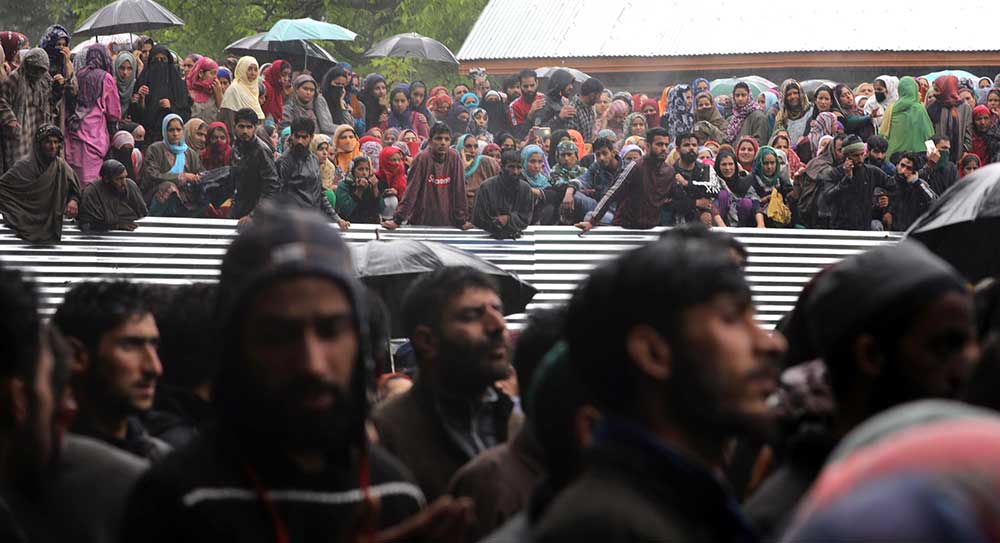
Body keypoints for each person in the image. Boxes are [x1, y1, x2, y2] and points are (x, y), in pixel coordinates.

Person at [121, 206, 441, 542]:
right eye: (278, 335)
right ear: (234, 345)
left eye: (331, 331)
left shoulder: (395, 493)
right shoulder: (175, 499)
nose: (312, 364)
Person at [534, 235, 785, 542]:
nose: (772, 343)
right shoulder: (602, 530)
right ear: (653, 353)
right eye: (732, 318)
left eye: (754, 317)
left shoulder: (691, 504)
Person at [745, 242, 978, 539]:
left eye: (973, 346)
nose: (966, 370)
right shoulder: (791, 520)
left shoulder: (961, 489)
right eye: (944, 346)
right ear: (870, 355)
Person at [372, 266, 515, 501]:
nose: (498, 325)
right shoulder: (383, 433)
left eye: (498, 310)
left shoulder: (518, 422)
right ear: (427, 341)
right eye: (471, 315)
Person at [52, 281, 170, 462]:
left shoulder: (162, 458)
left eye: (154, 345)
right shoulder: (44, 462)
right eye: (130, 345)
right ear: (76, 355)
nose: (154, 368)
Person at [576, 127, 687, 231]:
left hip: (650, 229)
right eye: (659, 144)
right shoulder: (636, 166)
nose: (664, 149)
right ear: (647, 146)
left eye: (666, 145)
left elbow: (678, 199)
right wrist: (592, 221)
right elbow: (612, 192)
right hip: (625, 227)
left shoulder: (669, 172)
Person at [382, 123, 472, 230]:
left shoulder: (454, 157)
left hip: (448, 222)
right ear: (430, 141)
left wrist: (461, 220)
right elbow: (411, 191)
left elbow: (459, 190)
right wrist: (398, 220)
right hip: (422, 221)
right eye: (438, 138)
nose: (443, 142)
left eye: (446, 139)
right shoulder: (422, 159)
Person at [0, 124, 80, 243]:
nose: (53, 146)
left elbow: (74, 190)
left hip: (52, 220)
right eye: (48, 142)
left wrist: (73, 201)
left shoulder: (62, 167)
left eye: (56, 142)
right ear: (39, 145)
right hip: (25, 220)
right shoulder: (23, 167)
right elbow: (3, 188)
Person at [266, 117, 349, 229]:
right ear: (292, 136)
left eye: (304, 137)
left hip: (312, 221)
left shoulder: (313, 160)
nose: (300, 141)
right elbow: (276, 194)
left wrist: (336, 218)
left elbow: (319, 193)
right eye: (297, 136)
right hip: (291, 223)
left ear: (311, 137)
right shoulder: (284, 162)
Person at [65, 45, 121, 185]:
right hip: (94, 135)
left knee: (75, 177)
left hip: (74, 131)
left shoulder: (79, 74)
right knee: (92, 182)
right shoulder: (106, 78)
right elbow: (114, 113)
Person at [0, 49, 55, 171]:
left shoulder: (44, 79)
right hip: (20, 133)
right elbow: (2, 100)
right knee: (19, 169)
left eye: (41, 70)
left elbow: (51, 102)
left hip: (38, 128)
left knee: (39, 166)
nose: (38, 73)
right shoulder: (14, 79)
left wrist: (58, 88)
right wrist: (10, 119)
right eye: (35, 69)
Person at [826, 135, 893, 230]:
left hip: (863, 227)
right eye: (856, 156)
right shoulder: (835, 173)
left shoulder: (872, 172)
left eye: (862, 154)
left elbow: (894, 186)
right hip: (840, 228)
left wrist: (888, 203)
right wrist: (847, 178)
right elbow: (828, 198)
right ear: (846, 156)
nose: (860, 159)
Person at [139, 113, 203, 214]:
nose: (175, 134)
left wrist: (197, 178)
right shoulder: (155, 149)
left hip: (184, 196)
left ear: (183, 131)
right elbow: (152, 175)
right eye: (171, 130)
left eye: (178, 130)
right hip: (155, 194)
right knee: (169, 187)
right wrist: (182, 177)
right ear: (164, 131)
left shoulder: (190, 153)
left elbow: (199, 173)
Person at [132, 45, 191, 143]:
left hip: (172, 138)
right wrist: (141, 100)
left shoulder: (178, 85)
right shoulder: (143, 81)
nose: (159, 63)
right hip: (147, 137)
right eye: (155, 60)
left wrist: (171, 107)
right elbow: (135, 116)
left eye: (163, 60)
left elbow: (185, 113)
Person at [472, 149, 534, 239]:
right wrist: (496, 223)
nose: (515, 172)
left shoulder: (526, 189)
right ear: (502, 166)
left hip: (517, 239)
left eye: (519, 168)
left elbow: (525, 218)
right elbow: (478, 218)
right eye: (511, 167)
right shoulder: (486, 188)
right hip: (487, 237)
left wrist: (508, 219)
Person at [562, 136, 624, 224]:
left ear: (613, 153)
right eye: (598, 155)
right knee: (573, 195)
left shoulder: (626, 168)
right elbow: (583, 180)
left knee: (589, 216)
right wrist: (569, 192)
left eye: (605, 153)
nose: (601, 158)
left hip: (619, 212)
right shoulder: (596, 167)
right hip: (599, 207)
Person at [229, 108, 277, 221]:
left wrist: (254, 215)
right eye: (241, 126)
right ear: (235, 127)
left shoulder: (261, 150)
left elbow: (271, 188)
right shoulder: (236, 146)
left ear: (255, 128)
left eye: (249, 127)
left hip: (257, 215)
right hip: (239, 208)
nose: (245, 131)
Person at [78, 159, 148, 232]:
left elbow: (143, 213)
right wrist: (116, 226)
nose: (124, 183)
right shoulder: (92, 192)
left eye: (125, 177)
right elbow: (86, 224)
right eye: (119, 179)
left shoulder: (130, 186)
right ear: (106, 179)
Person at [672, 132, 722, 226]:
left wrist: (687, 183)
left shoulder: (706, 168)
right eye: (686, 145)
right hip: (676, 222)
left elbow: (715, 189)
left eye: (694, 145)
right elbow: (672, 201)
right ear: (678, 149)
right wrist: (695, 202)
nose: (691, 148)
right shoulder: (671, 171)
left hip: (703, 219)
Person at [881, 76, 934, 159]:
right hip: (915, 156)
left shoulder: (891, 108)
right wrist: (933, 153)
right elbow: (928, 134)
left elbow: (882, 132)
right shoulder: (919, 108)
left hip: (893, 155)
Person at [926, 75, 972, 164]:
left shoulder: (965, 108)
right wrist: (932, 155)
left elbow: (968, 133)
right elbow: (927, 133)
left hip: (958, 158)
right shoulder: (932, 106)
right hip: (937, 157)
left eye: (937, 90)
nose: (935, 93)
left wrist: (964, 153)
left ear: (947, 89)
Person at [748, 146, 795, 228]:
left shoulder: (781, 179)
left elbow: (790, 196)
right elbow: (751, 201)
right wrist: (766, 200)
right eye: (765, 163)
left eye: (772, 163)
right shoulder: (752, 179)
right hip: (758, 222)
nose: (769, 167)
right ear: (759, 163)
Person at [892, 153, 937, 231]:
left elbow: (933, 202)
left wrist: (916, 183)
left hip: (913, 230)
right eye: (902, 165)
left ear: (914, 172)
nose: (903, 171)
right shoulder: (889, 182)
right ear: (897, 165)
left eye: (909, 168)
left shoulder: (920, 184)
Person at [455, 132, 500, 211]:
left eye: (476, 147)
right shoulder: (453, 165)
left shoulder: (487, 163)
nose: (473, 150)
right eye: (468, 146)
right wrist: (462, 169)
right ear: (460, 148)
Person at [218, 56, 264, 132]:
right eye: (249, 69)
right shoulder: (234, 90)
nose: (253, 73)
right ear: (242, 69)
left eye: (255, 70)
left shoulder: (253, 90)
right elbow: (228, 120)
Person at [773, 79, 814, 143]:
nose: (793, 96)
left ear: (801, 94)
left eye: (795, 93)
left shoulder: (811, 112)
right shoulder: (782, 116)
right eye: (789, 94)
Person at [562, 77, 602, 142]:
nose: (599, 99)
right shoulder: (572, 109)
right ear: (592, 95)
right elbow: (571, 137)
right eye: (598, 96)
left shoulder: (590, 107)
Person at [508, 69, 545, 139]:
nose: (529, 89)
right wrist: (530, 114)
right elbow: (518, 135)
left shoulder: (544, 99)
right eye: (525, 86)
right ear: (520, 86)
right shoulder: (514, 106)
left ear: (537, 83)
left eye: (532, 85)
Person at [186, 56, 222, 124]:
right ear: (201, 73)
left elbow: (221, 115)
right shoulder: (187, 91)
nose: (215, 78)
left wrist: (219, 95)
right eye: (212, 73)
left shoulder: (214, 91)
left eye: (216, 74)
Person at [260, 60, 289, 124]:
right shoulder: (265, 88)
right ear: (276, 73)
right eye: (283, 74)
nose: (286, 79)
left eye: (288, 75)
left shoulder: (277, 90)